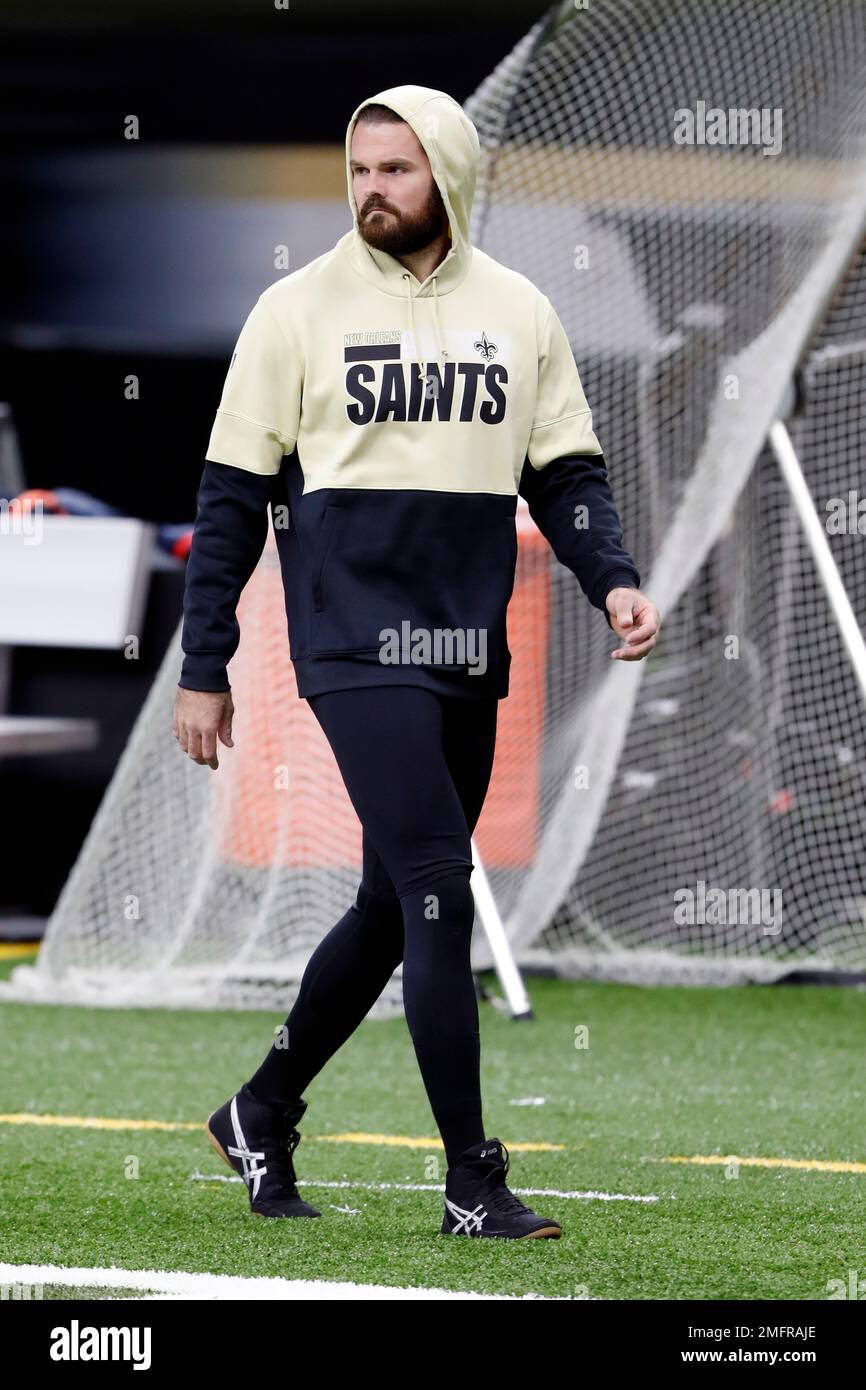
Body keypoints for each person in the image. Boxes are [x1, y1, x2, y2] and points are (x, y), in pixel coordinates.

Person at [174, 85, 660, 1240]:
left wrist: (614, 578)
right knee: (444, 884)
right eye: (358, 170)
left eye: (397, 169)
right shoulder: (292, 311)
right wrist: (206, 663)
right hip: (350, 643)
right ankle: (471, 1180)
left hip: (464, 643)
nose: (372, 191)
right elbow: (230, 501)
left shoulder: (520, 308)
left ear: (447, 172)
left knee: (393, 907)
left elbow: (566, 475)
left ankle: (260, 1107)